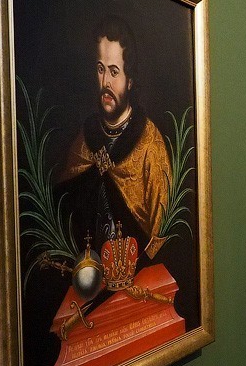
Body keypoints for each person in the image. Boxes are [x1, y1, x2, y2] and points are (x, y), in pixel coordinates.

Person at [57, 15, 172, 260]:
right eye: (101, 69)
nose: (105, 82)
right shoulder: (84, 140)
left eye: (114, 72)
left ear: (130, 81)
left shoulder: (150, 144)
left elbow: (162, 235)